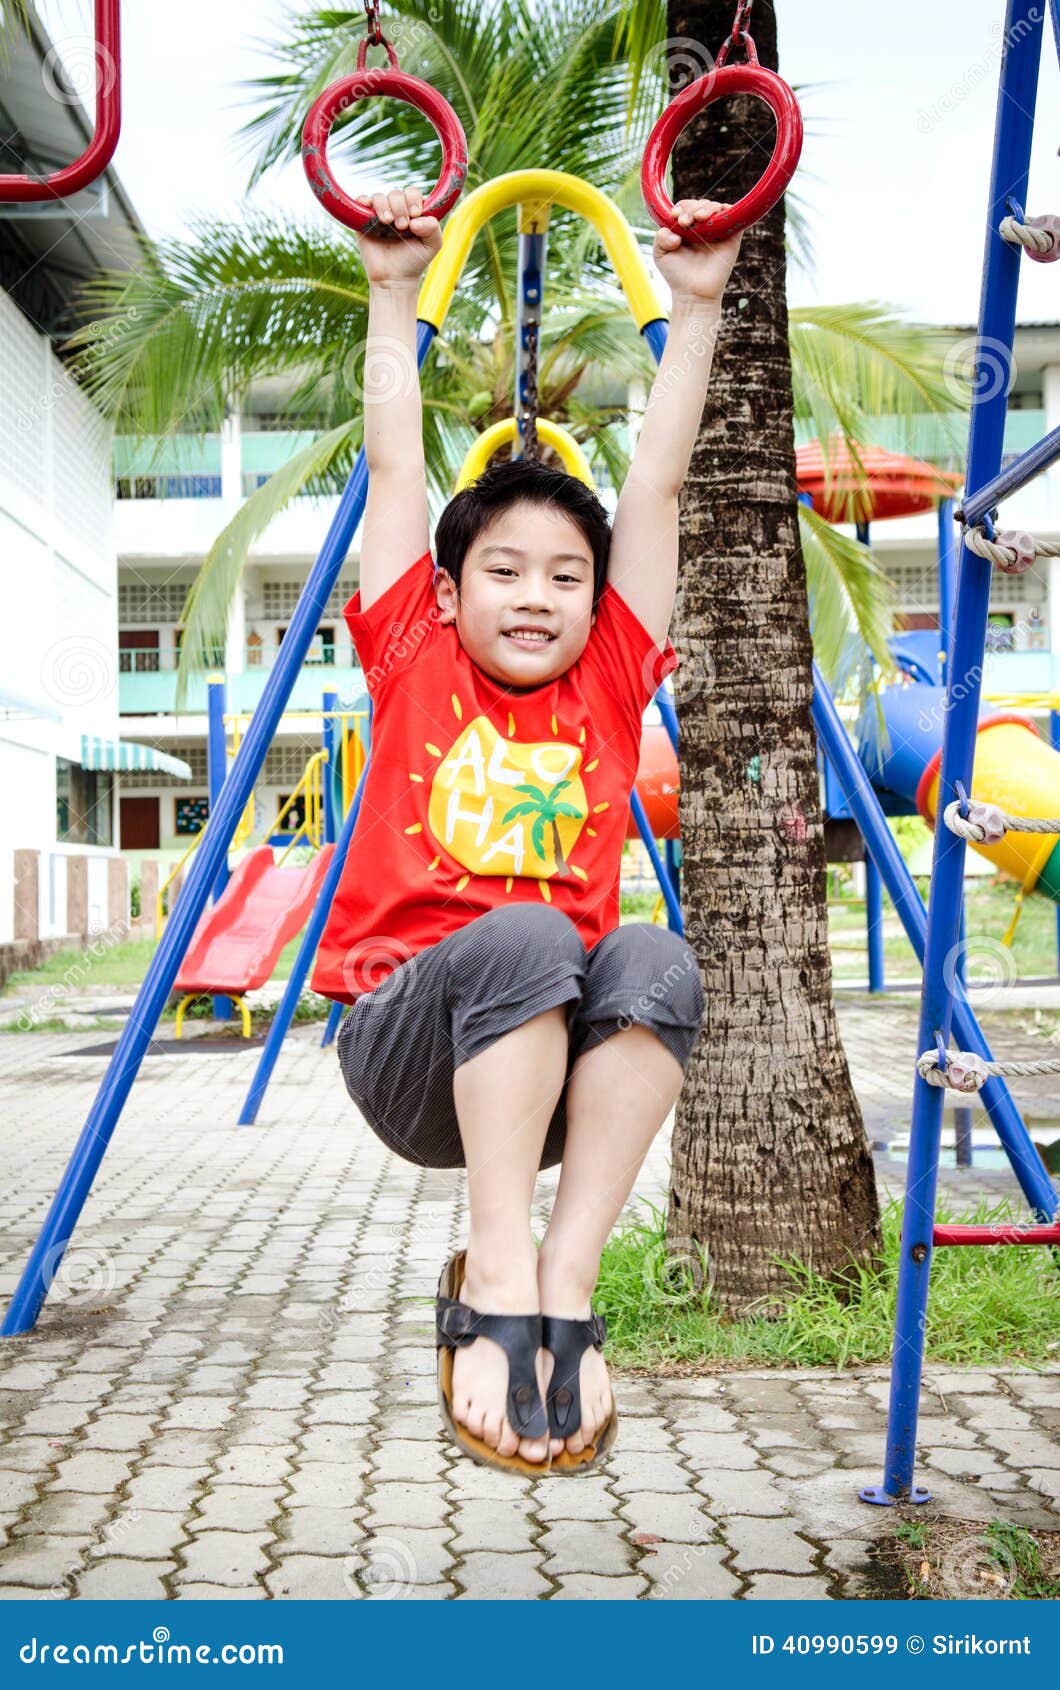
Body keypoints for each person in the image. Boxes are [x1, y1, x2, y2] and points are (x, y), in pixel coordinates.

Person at [311, 185, 742, 1475]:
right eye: (504, 571)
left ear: (598, 601)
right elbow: (394, 461)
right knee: (522, 932)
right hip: (405, 1043)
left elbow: (657, 482)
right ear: (446, 594)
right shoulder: (410, 654)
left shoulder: (608, 681)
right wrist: (395, 290)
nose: (539, 597)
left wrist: (700, 303)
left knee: (658, 957)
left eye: (567, 576)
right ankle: (490, 1270)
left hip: (547, 1061)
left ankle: (561, 1277)